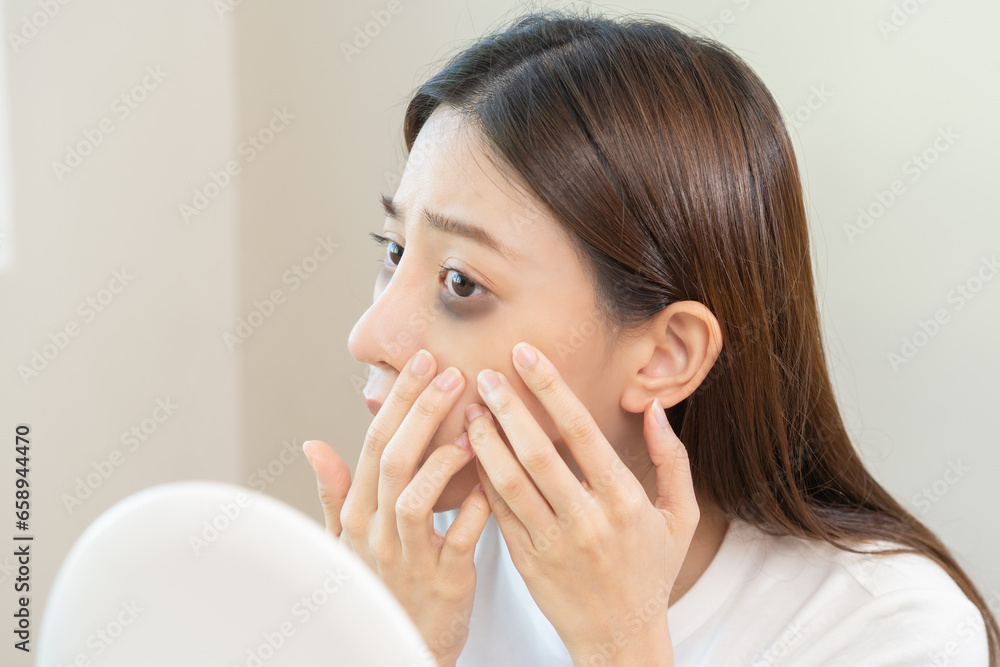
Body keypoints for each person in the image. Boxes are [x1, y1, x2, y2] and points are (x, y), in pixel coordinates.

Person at [303, 8, 1000, 666]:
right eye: (393, 252)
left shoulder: (888, 629)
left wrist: (621, 646)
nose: (369, 336)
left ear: (667, 355)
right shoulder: (407, 567)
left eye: (461, 282)